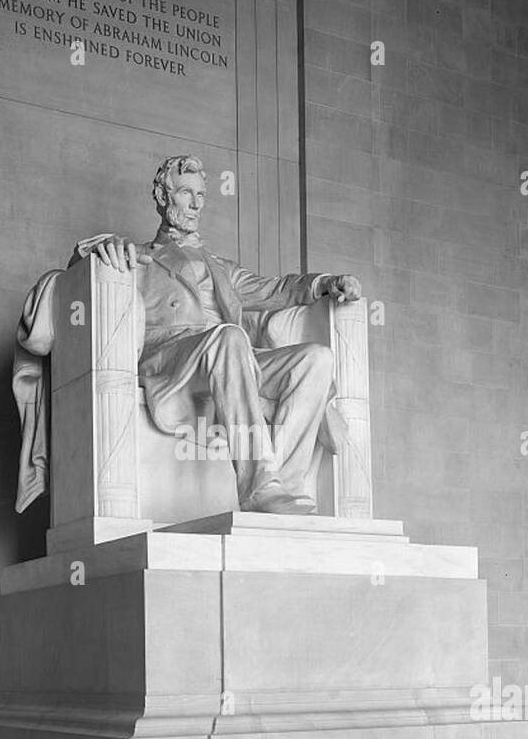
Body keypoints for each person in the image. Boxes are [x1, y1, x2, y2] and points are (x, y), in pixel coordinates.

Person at [74, 154, 362, 514]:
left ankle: (284, 488)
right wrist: (101, 248)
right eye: (185, 193)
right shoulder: (138, 256)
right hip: (173, 357)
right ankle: (256, 485)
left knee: (316, 359)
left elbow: (277, 289)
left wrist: (325, 283)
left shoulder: (222, 268)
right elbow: (80, 270)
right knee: (229, 337)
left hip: (231, 356)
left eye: (201, 195)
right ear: (164, 198)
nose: (196, 204)